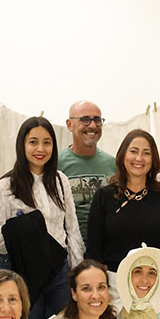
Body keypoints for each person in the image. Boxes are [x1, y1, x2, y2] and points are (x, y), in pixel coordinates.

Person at [0, 116, 84, 319]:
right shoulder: (6, 186)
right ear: (22, 145)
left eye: (47, 142)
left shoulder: (60, 181)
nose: (40, 148)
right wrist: (26, 232)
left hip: (58, 271)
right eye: (33, 142)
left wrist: (77, 272)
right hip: (18, 271)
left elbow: (72, 230)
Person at [86, 129, 160, 282]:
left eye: (146, 153)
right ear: (123, 155)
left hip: (154, 284)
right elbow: (94, 249)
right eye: (133, 151)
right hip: (113, 283)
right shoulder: (104, 196)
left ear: (153, 160)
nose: (139, 158)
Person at [58, 101, 117, 242]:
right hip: (67, 251)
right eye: (85, 119)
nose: (92, 125)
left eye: (97, 119)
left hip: (105, 249)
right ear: (69, 125)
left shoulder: (113, 164)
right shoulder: (56, 165)